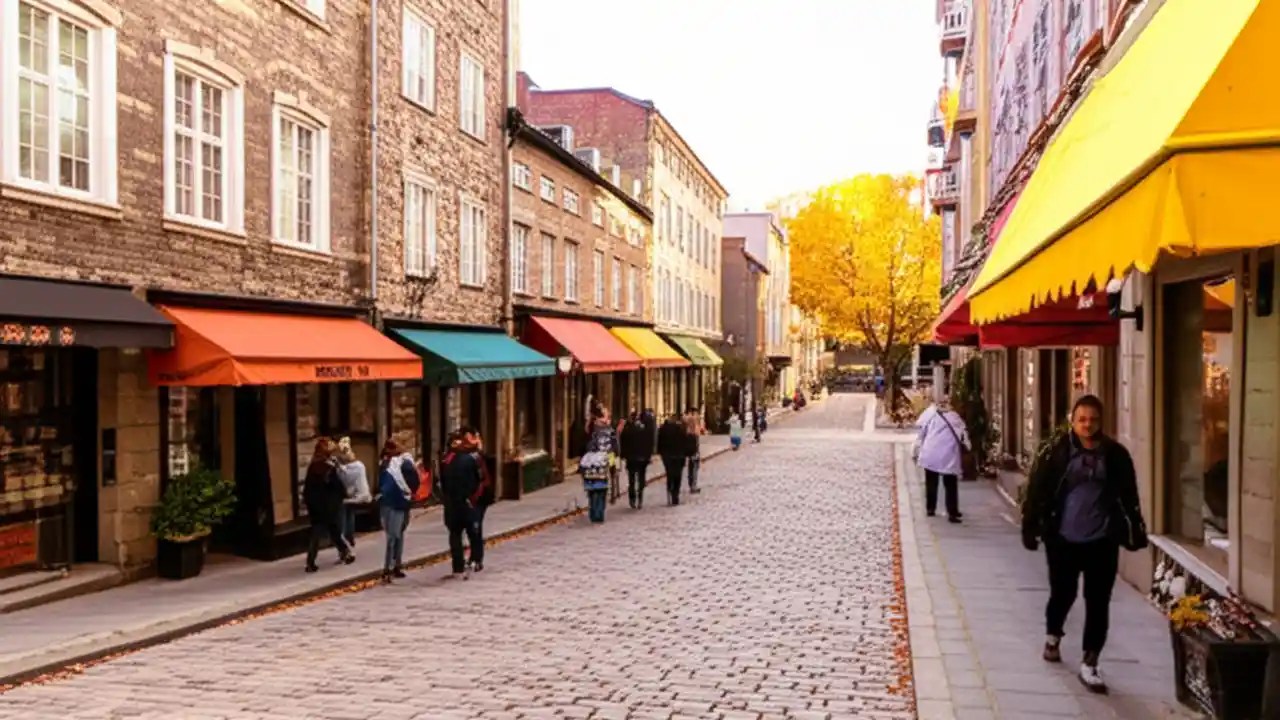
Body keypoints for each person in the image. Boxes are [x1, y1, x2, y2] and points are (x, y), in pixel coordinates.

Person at [1021, 395, 1146, 695]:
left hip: (1102, 539)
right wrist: (1030, 526)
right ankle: (1053, 635)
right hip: (1062, 538)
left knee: (1098, 600)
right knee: (1063, 594)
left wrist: (1135, 525)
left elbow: (1129, 494)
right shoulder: (1057, 453)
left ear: (1101, 422)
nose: (1087, 425)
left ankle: (1091, 661)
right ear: (1072, 421)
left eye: (1093, 419)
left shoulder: (1115, 455)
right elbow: (1037, 490)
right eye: (1082, 419)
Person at [438, 427, 490, 574]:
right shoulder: (472, 458)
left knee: (455, 534)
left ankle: (458, 564)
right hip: (467, 503)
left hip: (452, 504)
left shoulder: (445, 460)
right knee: (473, 533)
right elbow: (481, 480)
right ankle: (476, 560)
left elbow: (441, 483)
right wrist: (474, 498)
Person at [913, 396, 970, 524]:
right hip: (949, 454)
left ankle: (930, 508)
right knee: (950, 484)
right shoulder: (955, 417)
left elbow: (921, 432)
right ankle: (952, 512)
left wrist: (917, 449)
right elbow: (963, 435)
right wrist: (968, 447)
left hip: (931, 452)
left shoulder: (930, 414)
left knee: (931, 482)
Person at [303, 437, 353, 572]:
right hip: (328, 505)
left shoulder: (314, 466)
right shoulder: (327, 467)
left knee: (320, 532)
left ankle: (311, 562)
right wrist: (343, 494)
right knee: (333, 529)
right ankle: (345, 552)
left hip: (316, 506)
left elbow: (308, 489)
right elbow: (337, 485)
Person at [376, 439, 419, 582]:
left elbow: (384, 485)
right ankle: (396, 565)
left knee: (392, 537)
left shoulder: (386, 464)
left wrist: (381, 494)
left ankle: (388, 567)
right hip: (402, 503)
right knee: (398, 535)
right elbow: (415, 482)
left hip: (390, 503)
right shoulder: (405, 463)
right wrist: (409, 494)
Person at [580, 413, 619, 523]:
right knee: (601, 491)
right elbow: (614, 451)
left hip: (591, 467)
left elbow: (583, 448)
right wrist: (613, 467)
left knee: (593, 492)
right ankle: (599, 513)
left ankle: (594, 513)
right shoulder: (610, 434)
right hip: (601, 466)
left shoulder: (590, 433)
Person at [334, 437, 371, 549]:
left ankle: (345, 539)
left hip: (346, 496)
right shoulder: (359, 466)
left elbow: (342, 478)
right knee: (350, 514)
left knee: (344, 517)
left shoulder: (343, 470)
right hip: (356, 496)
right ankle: (350, 536)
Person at [619, 410, 652, 509]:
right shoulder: (644, 429)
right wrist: (648, 456)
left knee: (632, 479)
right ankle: (640, 498)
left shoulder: (627, 429)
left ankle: (632, 498)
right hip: (642, 458)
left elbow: (623, 443)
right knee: (641, 478)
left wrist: (623, 455)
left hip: (631, 458)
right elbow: (648, 444)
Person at [657, 414, 689, 506]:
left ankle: (670, 489)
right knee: (678, 475)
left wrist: (660, 452)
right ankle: (675, 493)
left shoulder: (663, 429)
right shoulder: (681, 429)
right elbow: (685, 442)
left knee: (669, 474)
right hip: (679, 456)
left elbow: (659, 442)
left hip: (667, 456)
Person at [683, 407, 705, 495]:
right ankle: (693, 486)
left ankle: (692, 484)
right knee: (694, 467)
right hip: (693, 450)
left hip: (691, 449)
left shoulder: (688, 425)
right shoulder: (692, 428)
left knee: (692, 468)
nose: (698, 417)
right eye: (696, 414)